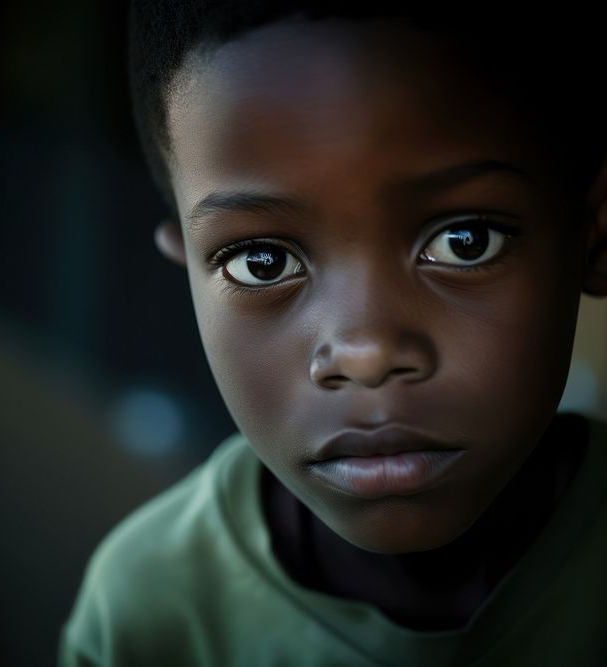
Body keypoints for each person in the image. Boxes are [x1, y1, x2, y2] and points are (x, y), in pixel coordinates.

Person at [59, 2, 607, 665]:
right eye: (262, 262)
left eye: (466, 241)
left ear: (594, 238)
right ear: (189, 275)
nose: (366, 352)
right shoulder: (149, 612)